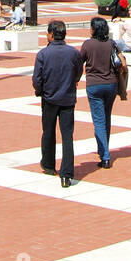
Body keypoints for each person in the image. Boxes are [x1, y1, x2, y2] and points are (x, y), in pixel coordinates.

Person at [32, 20, 83, 187]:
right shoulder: (73, 53)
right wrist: (72, 82)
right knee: (67, 135)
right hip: (68, 98)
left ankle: (48, 164)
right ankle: (66, 173)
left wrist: (40, 91)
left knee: (48, 132)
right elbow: (78, 72)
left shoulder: (43, 54)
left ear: (51, 35)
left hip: (49, 98)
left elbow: (37, 79)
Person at [80, 18, 118, 168]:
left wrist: (75, 78)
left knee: (99, 121)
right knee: (106, 118)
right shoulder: (111, 43)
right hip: (111, 84)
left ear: (94, 29)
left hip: (94, 85)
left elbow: (79, 62)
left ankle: (105, 156)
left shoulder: (88, 44)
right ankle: (104, 148)